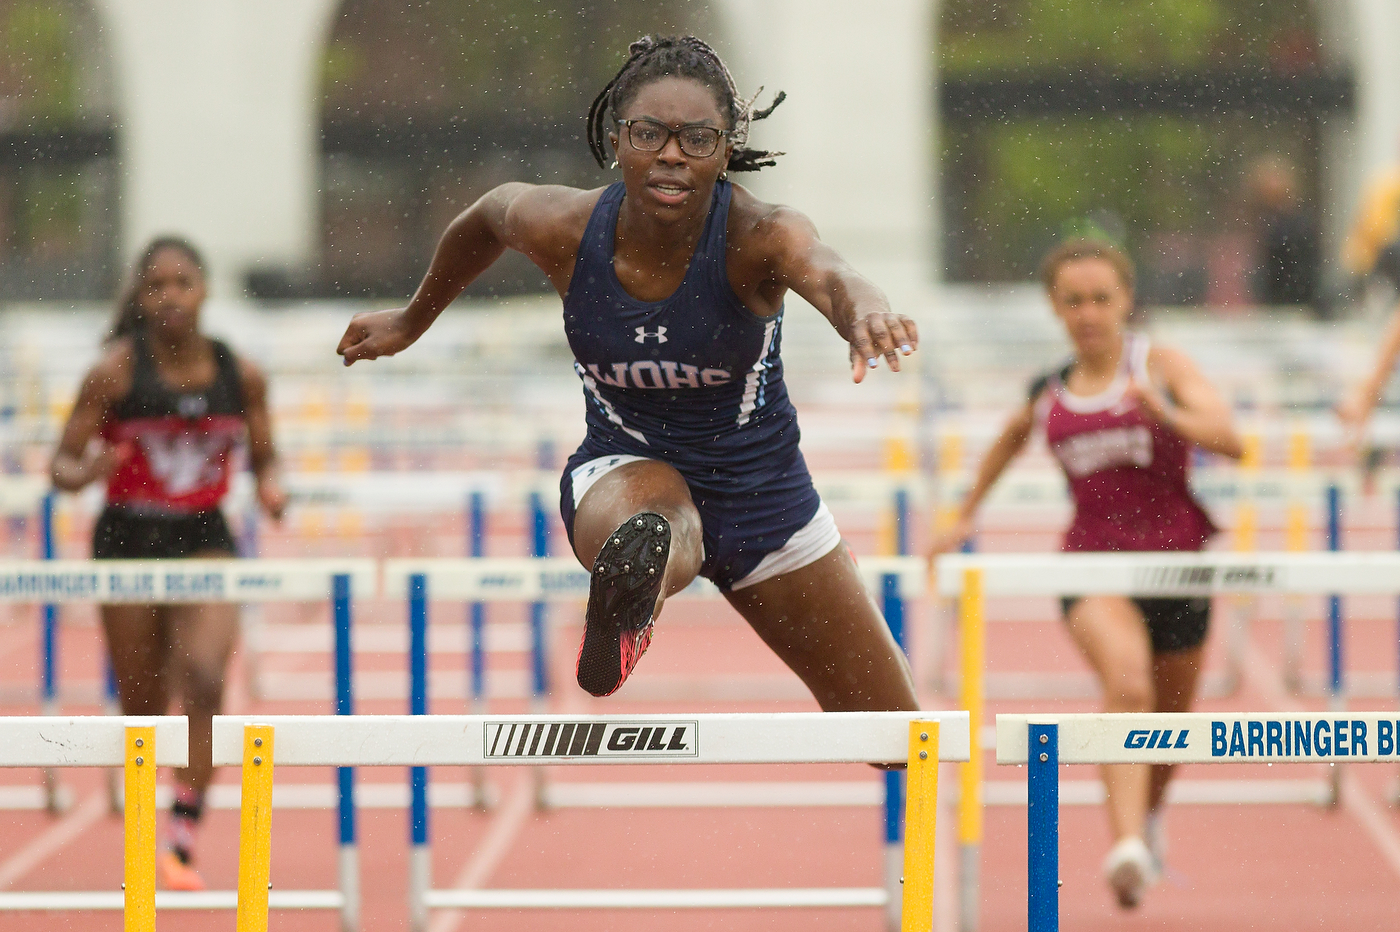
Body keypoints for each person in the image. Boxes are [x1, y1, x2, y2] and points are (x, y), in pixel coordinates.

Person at [337, 35, 918, 713]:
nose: (671, 153)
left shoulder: (761, 235)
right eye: (649, 133)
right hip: (624, 472)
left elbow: (832, 271)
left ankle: (641, 583)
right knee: (659, 519)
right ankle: (628, 607)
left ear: (727, 149)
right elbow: (490, 215)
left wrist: (866, 310)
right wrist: (413, 319)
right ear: (618, 139)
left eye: (697, 138)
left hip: (765, 496)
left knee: (893, 732)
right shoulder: (565, 226)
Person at [931, 238, 1242, 908]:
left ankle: (1148, 823)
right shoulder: (1049, 391)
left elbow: (1231, 438)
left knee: (1168, 733)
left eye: (1101, 298)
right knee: (1128, 689)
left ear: (1126, 299)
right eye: (1073, 300)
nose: (1088, 312)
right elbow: (1007, 443)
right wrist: (963, 514)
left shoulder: (1158, 364)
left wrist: (1169, 414)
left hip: (1179, 569)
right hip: (1092, 564)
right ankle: (1125, 845)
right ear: (1055, 307)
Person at [50, 237, 286, 890]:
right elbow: (61, 464)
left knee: (207, 676)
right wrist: (89, 468)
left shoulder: (242, 374)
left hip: (206, 537)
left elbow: (267, 455)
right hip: (127, 542)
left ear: (206, 290)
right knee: (145, 701)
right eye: (156, 286)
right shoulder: (115, 373)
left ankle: (183, 828)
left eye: (183, 283)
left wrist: (271, 488)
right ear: (141, 297)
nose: (171, 297)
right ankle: (150, 813)